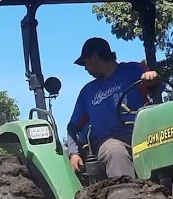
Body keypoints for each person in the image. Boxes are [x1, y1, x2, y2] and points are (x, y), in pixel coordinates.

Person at [66, 37, 159, 180]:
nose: (85, 68)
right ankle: (127, 197)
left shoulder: (134, 70)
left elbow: (155, 86)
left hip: (142, 135)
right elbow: (73, 127)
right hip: (108, 141)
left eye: (86, 63)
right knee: (115, 151)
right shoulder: (87, 92)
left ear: (95, 57)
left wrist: (151, 79)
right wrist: (74, 153)